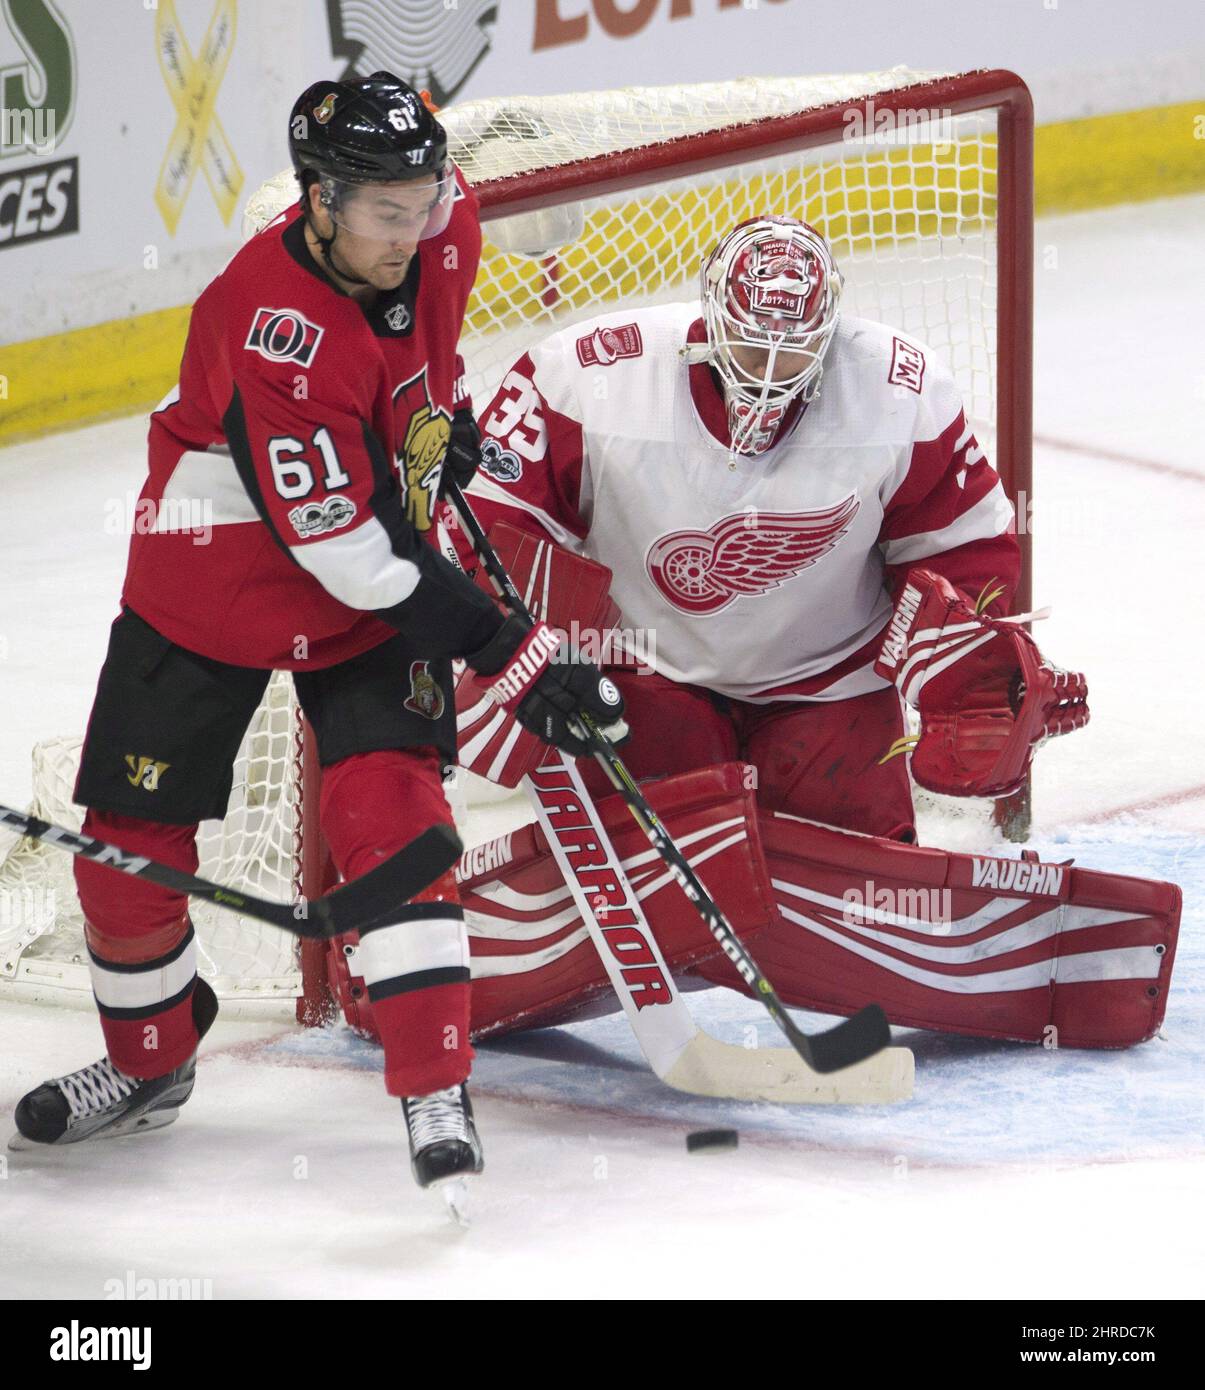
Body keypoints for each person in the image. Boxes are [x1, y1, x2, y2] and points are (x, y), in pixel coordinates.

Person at [11, 73, 624, 1194]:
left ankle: (434, 1080)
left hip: (367, 588)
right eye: (385, 212)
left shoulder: (443, 223)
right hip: (214, 586)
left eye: (424, 200)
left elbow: (415, 363)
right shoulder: (268, 329)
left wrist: (439, 420)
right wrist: (503, 644)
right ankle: (151, 1064)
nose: (413, 230)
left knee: (391, 816)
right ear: (320, 200)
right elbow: (347, 554)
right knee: (126, 853)